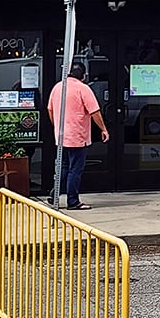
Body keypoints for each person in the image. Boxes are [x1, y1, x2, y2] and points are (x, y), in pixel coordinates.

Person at [47, 63, 109, 210]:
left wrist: (57, 126)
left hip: (61, 136)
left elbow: (50, 109)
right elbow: (94, 111)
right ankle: (73, 201)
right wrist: (103, 129)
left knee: (63, 167)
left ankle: (55, 194)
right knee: (75, 169)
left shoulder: (58, 87)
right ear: (83, 76)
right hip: (77, 135)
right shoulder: (83, 88)